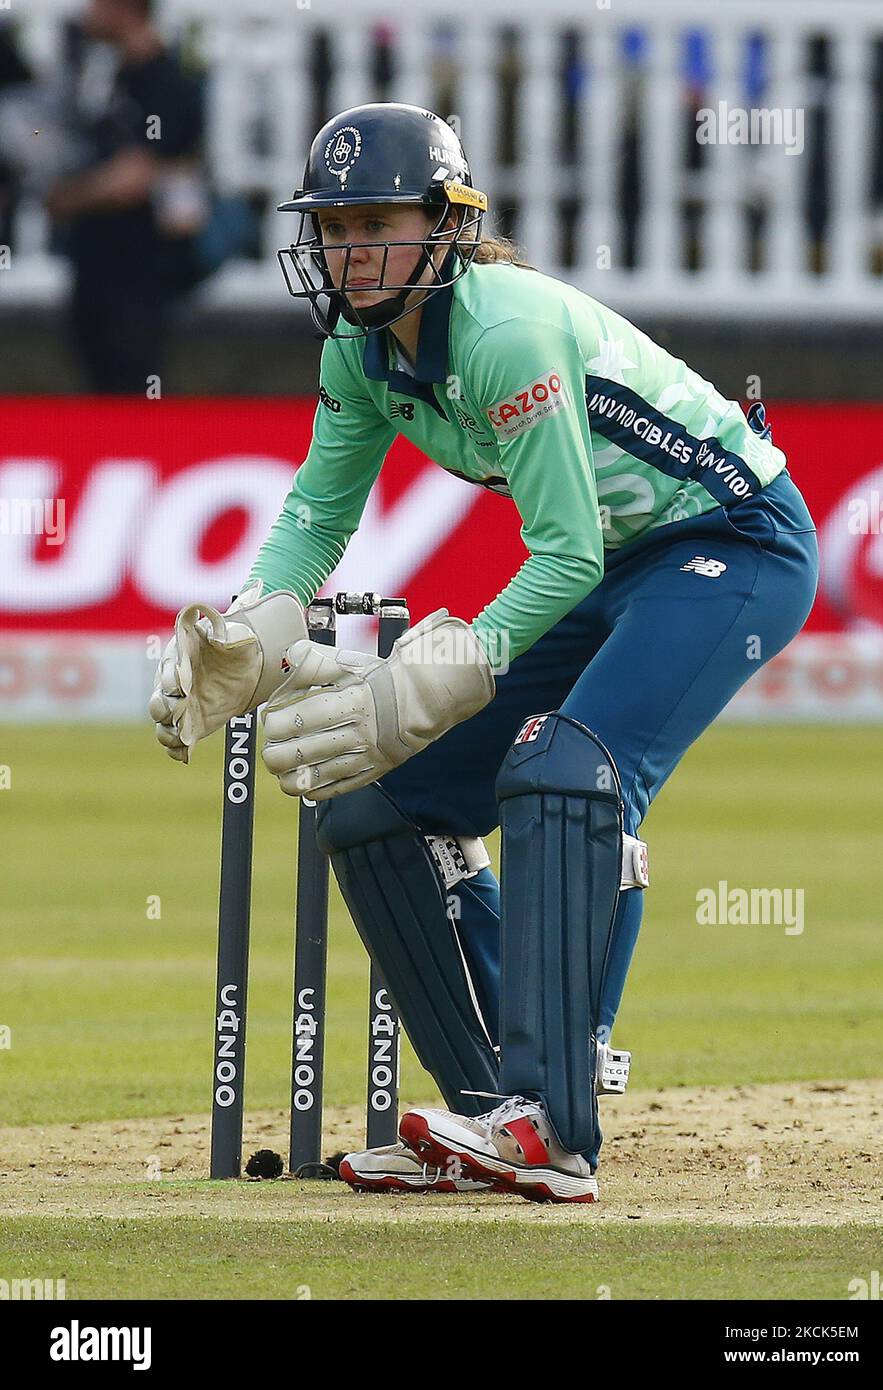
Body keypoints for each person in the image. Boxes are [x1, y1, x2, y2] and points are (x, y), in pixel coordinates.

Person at [150, 103, 819, 1204]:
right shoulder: (359, 351)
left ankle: (555, 1124)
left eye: (378, 222)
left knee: (564, 768)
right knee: (377, 804)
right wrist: (250, 632)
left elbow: (560, 553)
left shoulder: (502, 331)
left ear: (447, 225)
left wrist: (428, 677)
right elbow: (317, 520)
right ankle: (486, 1113)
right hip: (612, 562)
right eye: (333, 225)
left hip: (730, 542)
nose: (351, 250)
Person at [46, 0, 204, 393]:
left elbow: (133, 178)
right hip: (97, 268)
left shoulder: (167, 83)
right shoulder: (111, 77)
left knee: (130, 387)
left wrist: (67, 196)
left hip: (138, 276)